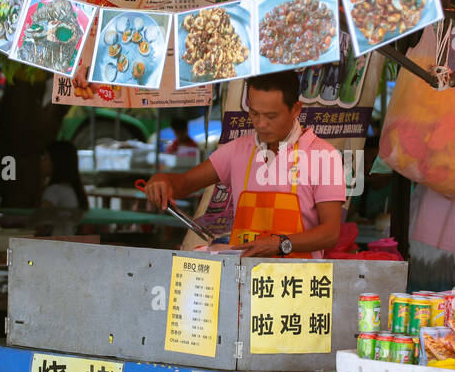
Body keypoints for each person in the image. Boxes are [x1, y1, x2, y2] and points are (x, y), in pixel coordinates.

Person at [143, 71, 345, 257]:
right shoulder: (237, 150)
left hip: (297, 285)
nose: (260, 124)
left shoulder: (324, 156)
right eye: (255, 113)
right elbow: (184, 183)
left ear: (295, 109)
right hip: (243, 281)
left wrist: (280, 243)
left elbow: (330, 233)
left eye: (271, 116)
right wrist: (162, 181)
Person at [35, 140, 89, 237]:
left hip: (54, 243)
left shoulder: (53, 191)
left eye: (45, 158)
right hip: (67, 241)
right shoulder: (71, 189)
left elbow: (41, 224)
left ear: (55, 162)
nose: (41, 161)